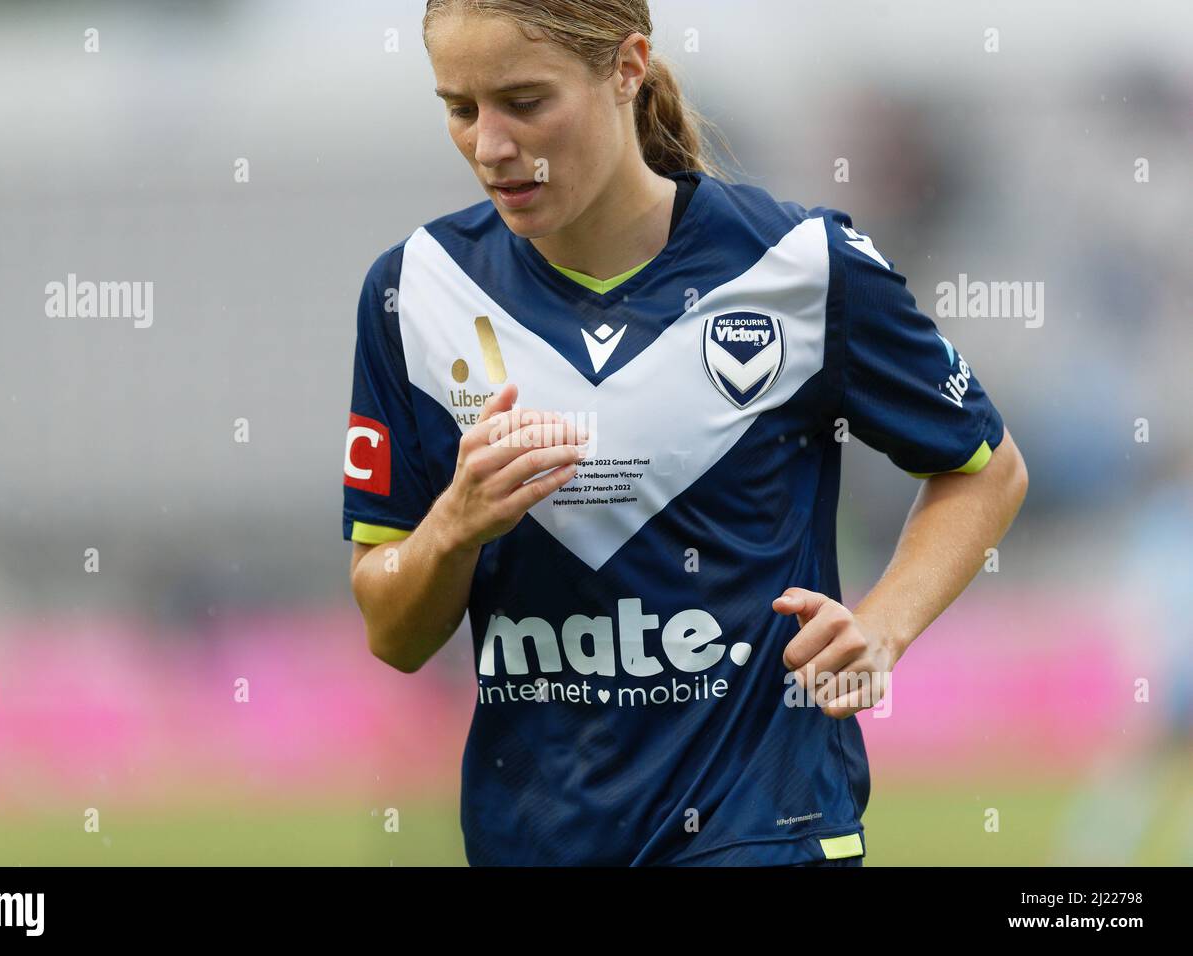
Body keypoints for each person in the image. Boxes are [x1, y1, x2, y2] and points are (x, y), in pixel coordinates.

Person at [342, 0, 1029, 866]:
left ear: (627, 68)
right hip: (532, 842)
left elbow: (986, 469)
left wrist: (883, 626)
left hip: (764, 831)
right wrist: (452, 527)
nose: (490, 145)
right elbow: (392, 633)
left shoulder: (801, 266)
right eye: (460, 108)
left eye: (524, 102)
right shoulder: (415, 293)